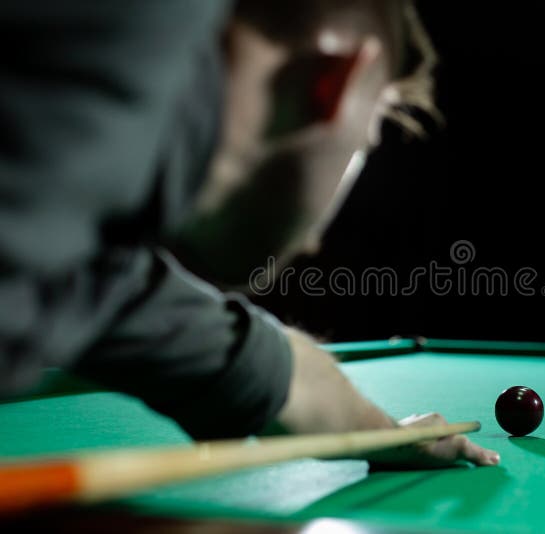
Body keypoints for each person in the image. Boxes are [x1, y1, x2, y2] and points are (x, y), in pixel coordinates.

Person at [0, 0, 499, 468]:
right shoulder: (135, 26)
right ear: (338, 84)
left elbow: (259, 368)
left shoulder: (88, 255)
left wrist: (383, 433)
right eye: (361, 148)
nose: (312, 243)